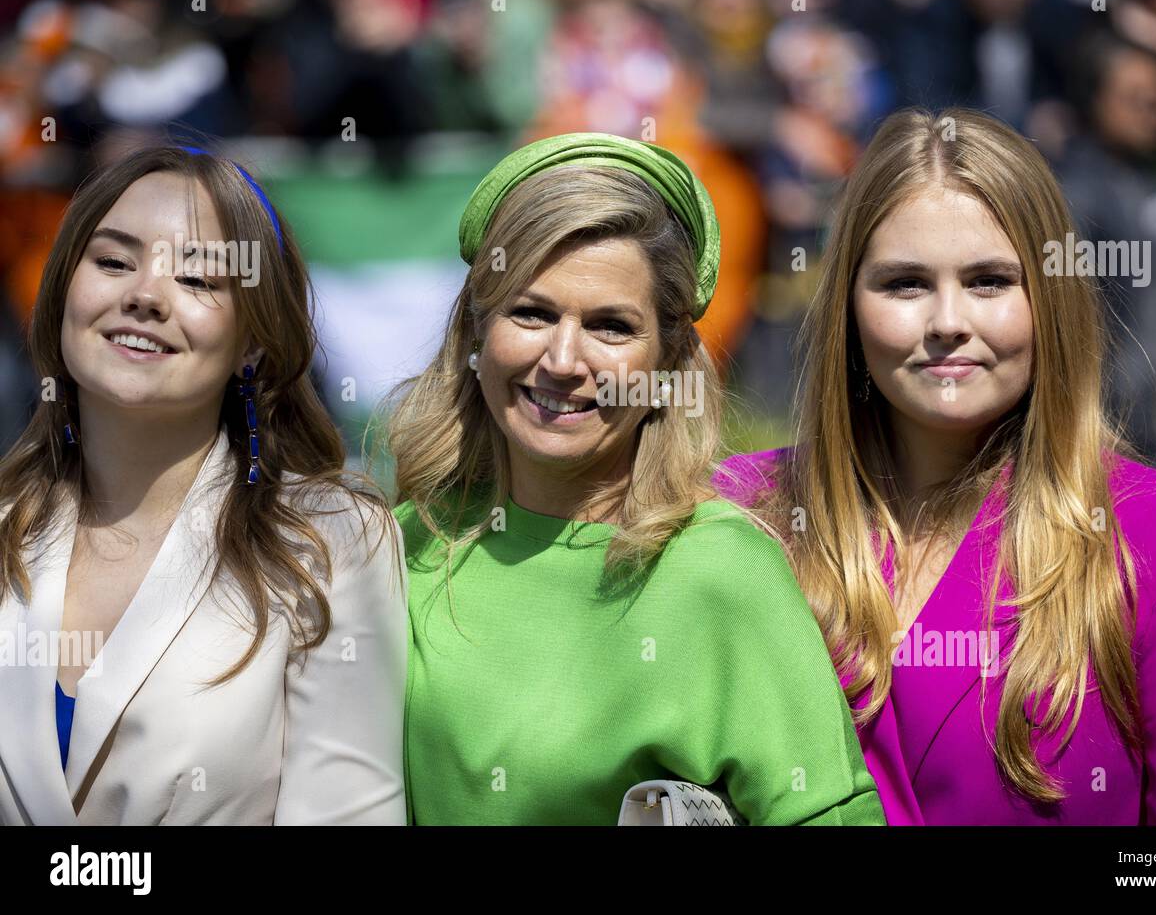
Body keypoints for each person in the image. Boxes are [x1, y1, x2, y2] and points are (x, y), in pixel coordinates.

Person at [716, 107, 1156, 824]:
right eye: (904, 283)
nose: (948, 321)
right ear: (847, 306)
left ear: (1049, 301)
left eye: (991, 280)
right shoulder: (745, 514)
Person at [389, 132, 884, 825]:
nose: (563, 359)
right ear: (475, 330)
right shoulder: (402, 547)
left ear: (669, 362)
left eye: (611, 327)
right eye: (531, 313)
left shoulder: (719, 568)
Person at [0, 145, 407, 824]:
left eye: (198, 279)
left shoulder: (330, 541)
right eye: (112, 261)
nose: (145, 296)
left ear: (254, 341)